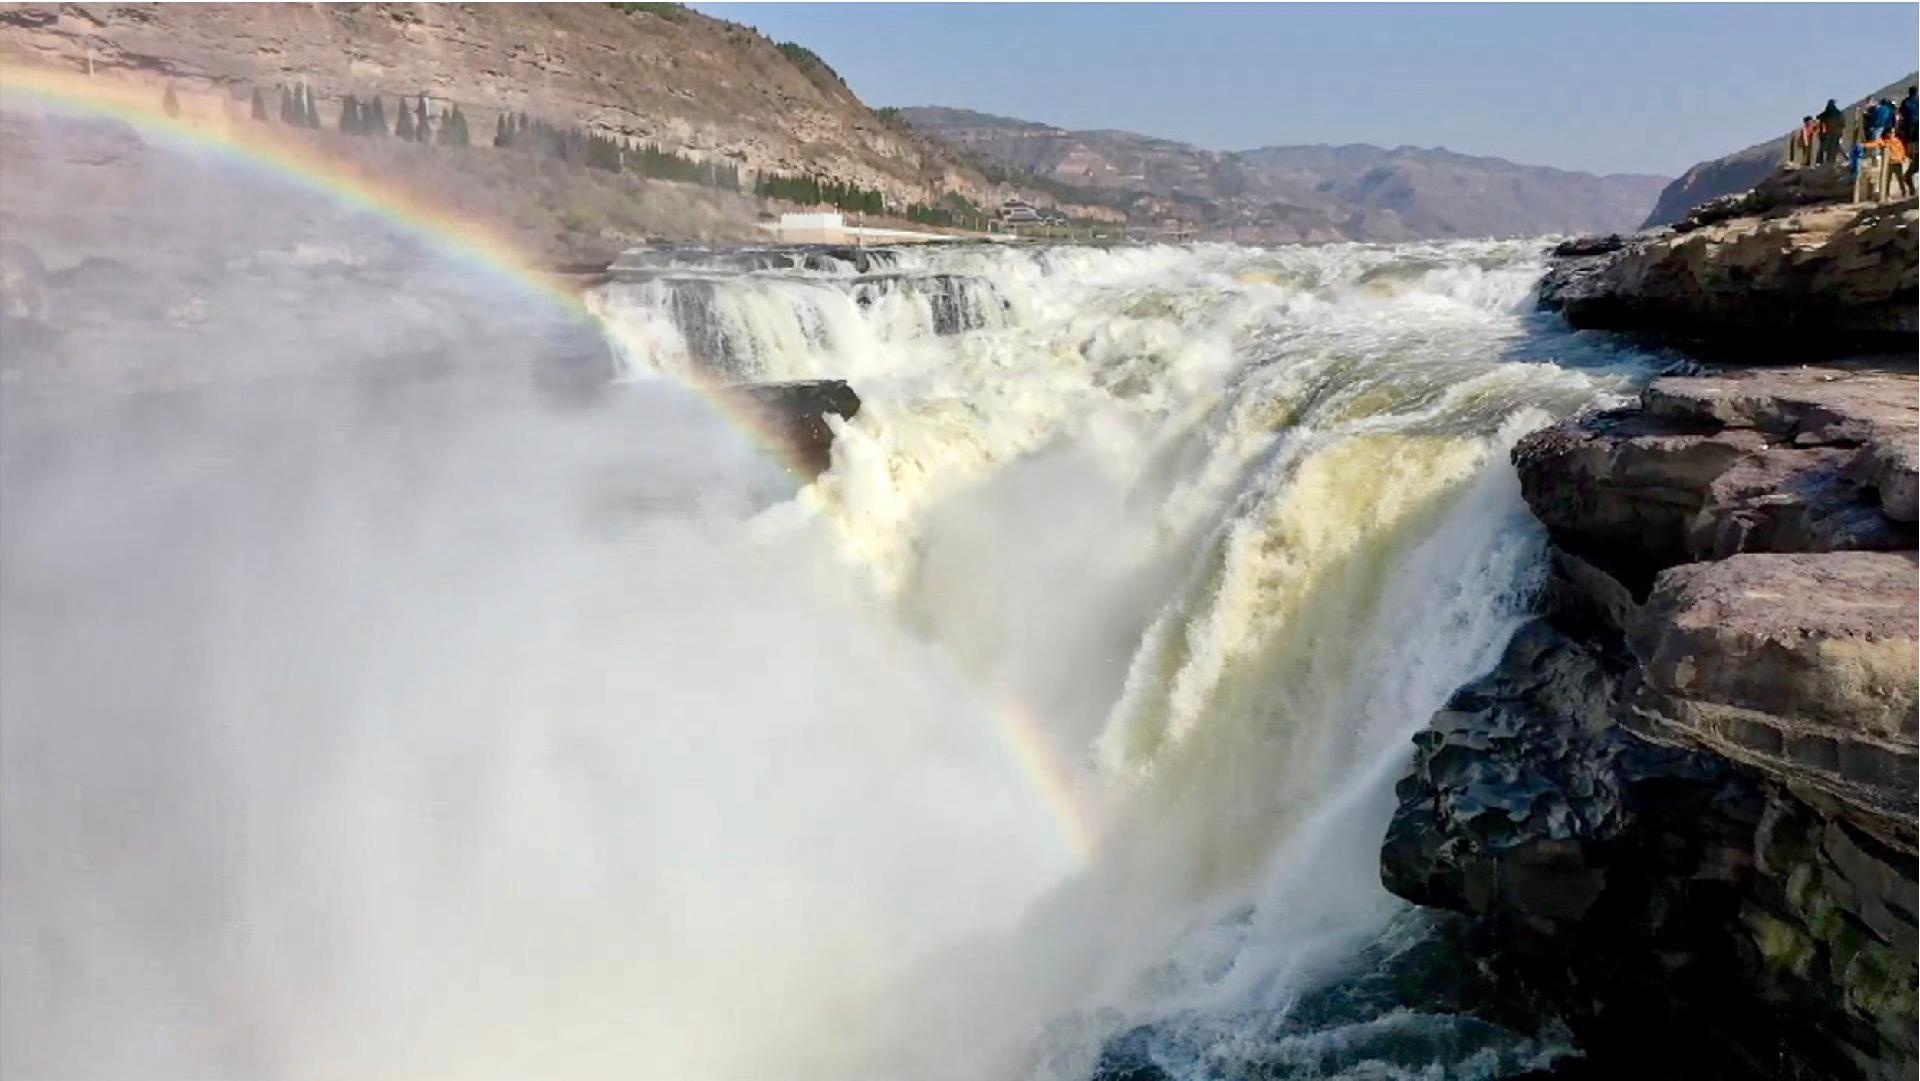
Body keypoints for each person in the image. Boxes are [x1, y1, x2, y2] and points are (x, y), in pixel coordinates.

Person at [1817, 98, 1845, 163]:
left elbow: (1819, 117)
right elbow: (1842, 123)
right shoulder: (1838, 113)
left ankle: (1825, 162)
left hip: (1827, 134)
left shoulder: (1826, 113)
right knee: (1833, 149)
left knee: (1826, 149)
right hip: (1836, 134)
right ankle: (1831, 163)